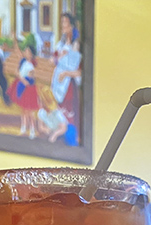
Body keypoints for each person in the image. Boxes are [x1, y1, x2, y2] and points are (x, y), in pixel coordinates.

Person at [50, 12, 82, 145]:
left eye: (66, 23)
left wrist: (65, 74)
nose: (63, 26)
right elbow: (53, 60)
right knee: (60, 109)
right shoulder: (61, 43)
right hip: (59, 83)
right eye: (62, 22)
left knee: (69, 111)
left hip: (69, 85)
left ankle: (73, 138)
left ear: (72, 26)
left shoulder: (76, 45)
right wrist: (56, 58)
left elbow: (78, 71)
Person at [11, 44, 39, 138]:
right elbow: (18, 53)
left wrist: (19, 75)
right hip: (22, 88)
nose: (25, 53)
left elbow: (28, 82)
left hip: (28, 90)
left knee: (29, 111)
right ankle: (23, 127)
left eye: (27, 51)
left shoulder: (31, 66)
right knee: (23, 110)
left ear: (31, 54)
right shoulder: (23, 62)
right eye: (25, 51)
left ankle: (32, 129)